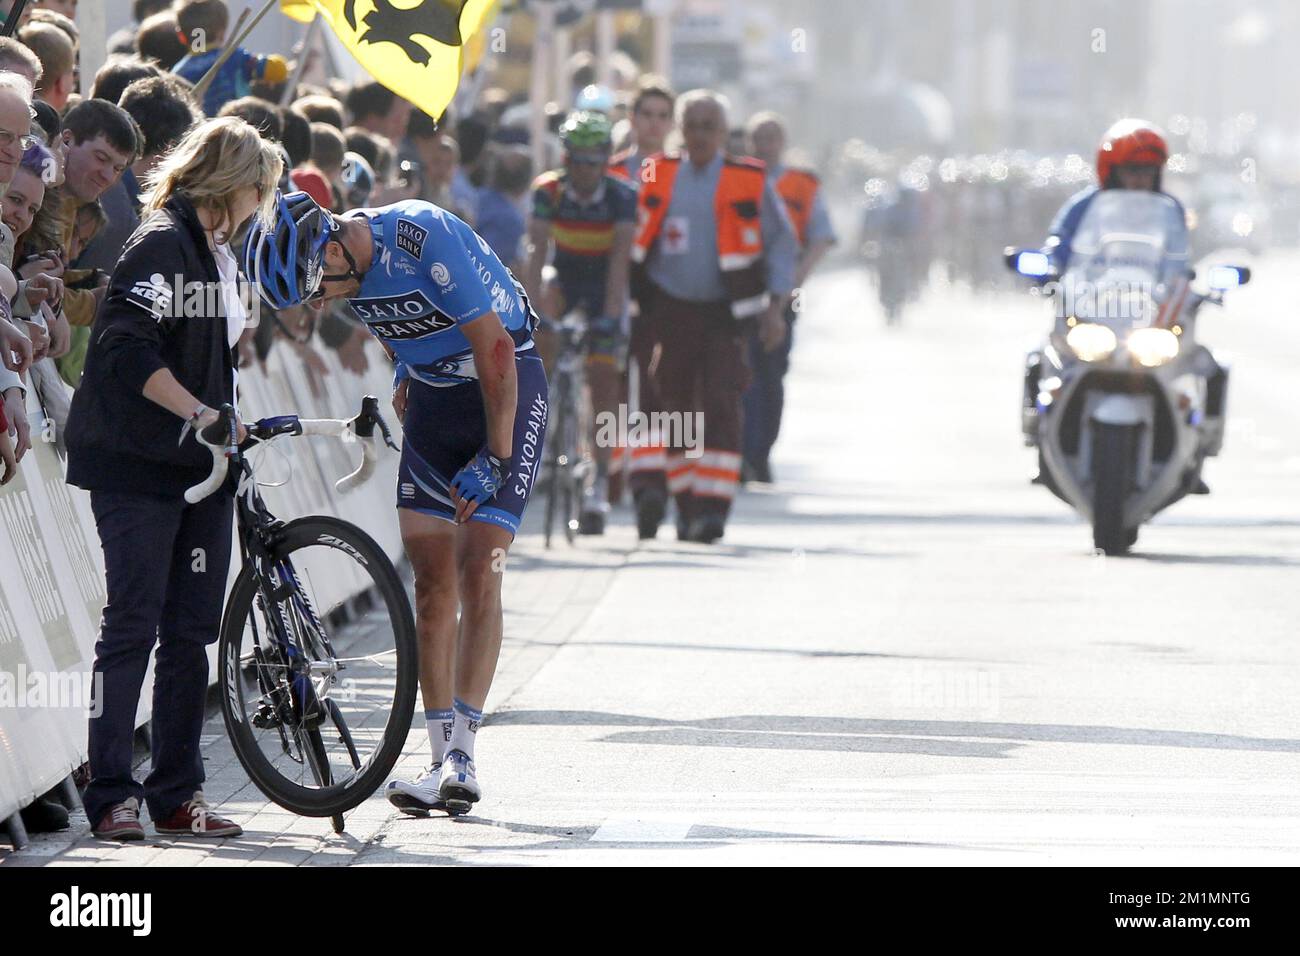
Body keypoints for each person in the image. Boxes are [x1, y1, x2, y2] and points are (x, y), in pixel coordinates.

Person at [245, 186, 547, 815]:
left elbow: (494, 349)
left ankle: (465, 750)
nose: (320, 299)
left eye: (317, 284)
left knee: (480, 569)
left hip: (503, 388)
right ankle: (438, 759)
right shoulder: (340, 270)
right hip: (437, 405)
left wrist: (495, 456)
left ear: (333, 243)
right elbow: (394, 322)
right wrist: (405, 368)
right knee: (432, 584)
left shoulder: (420, 235)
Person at [64, 116, 282, 841]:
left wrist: (224, 417)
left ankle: (176, 793)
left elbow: (202, 358)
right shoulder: (162, 241)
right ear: (235, 185)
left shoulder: (215, 255)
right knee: (132, 623)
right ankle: (112, 793)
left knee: (189, 631)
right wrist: (198, 413)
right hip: (136, 464)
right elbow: (125, 346)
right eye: (261, 191)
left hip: (197, 468)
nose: (262, 205)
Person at [627, 89, 797, 543]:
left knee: (723, 404)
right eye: (693, 125)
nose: (700, 135)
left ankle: (712, 510)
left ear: (724, 134)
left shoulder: (749, 179)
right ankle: (680, 503)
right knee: (671, 406)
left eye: (710, 126)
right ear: (680, 130)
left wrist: (775, 306)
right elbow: (626, 219)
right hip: (667, 308)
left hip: (726, 312)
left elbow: (782, 243)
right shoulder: (655, 171)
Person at [524, 110, 635, 534]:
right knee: (542, 337)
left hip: (604, 278)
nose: (585, 170)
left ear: (606, 159)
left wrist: (609, 318)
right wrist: (531, 313)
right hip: (565, 276)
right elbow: (536, 254)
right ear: (565, 159)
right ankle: (544, 417)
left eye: (593, 161)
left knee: (603, 381)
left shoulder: (622, 196)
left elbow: (621, 262)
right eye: (576, 160)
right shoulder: (547, 191)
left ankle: (599, 484)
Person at [742, 112, 836, 484]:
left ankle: (762, 452)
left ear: (783, 142)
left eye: (772, 137)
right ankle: (739, 452)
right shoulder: (737, 177)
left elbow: (821, 236)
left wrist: (795, 280)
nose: (765, 145)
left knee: (771, 373)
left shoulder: (802, 184)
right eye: (758, 138)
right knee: (739, 372)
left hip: (782, 293)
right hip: (739, 289)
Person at [171, 0, 289, 117]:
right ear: (222, 32)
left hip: (199, 133)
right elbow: (280, 70)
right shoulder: (235, 57)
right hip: (235, 128)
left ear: (181, 36)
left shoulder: (177, 73)